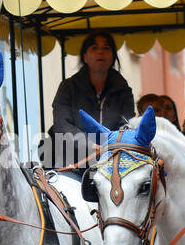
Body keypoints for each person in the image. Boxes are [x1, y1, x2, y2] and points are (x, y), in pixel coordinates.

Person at [46, 32, 135, 169]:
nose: (100, 52)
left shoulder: (124, 90)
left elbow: (126, 124)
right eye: (94, 48)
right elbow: (62, 125)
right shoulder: (68, 87)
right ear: (85, 57)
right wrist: (89, 145)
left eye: (106, 48)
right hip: (72, 163)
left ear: (112, 57)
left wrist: (109, 145)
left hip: (111, 162)